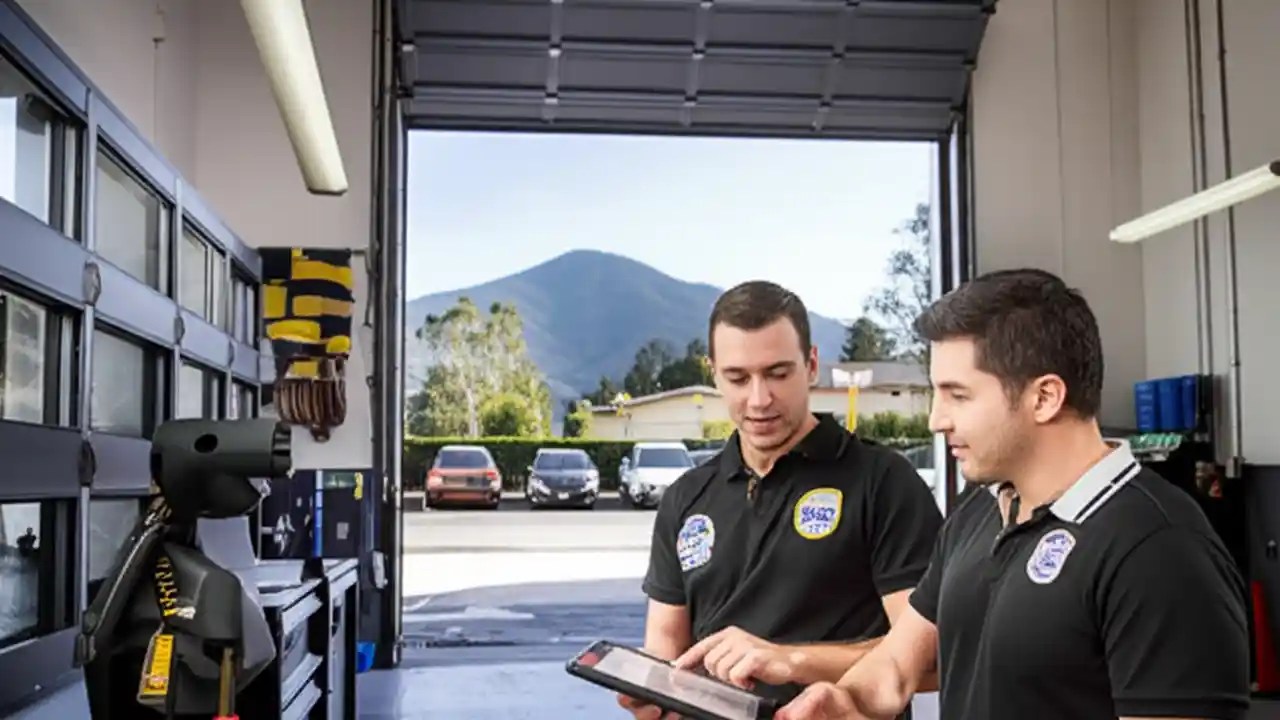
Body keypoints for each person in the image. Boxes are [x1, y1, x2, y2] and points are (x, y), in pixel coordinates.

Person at [777, 268, 1251, 720]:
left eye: (958, 396)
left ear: (1044, 397)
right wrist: (843, 701)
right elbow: (898, 668)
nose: (936, 420)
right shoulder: (978, 516)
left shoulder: (1159, 550)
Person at [618, 280, 944, 719]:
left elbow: (933, 656)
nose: (759, 399)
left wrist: (788, 660)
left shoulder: (883, 482)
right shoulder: (686, 497)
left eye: (777, 373)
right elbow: (666, 647)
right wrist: (653, 695)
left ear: (810, 365)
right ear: (713, 372)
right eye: (738, 378)